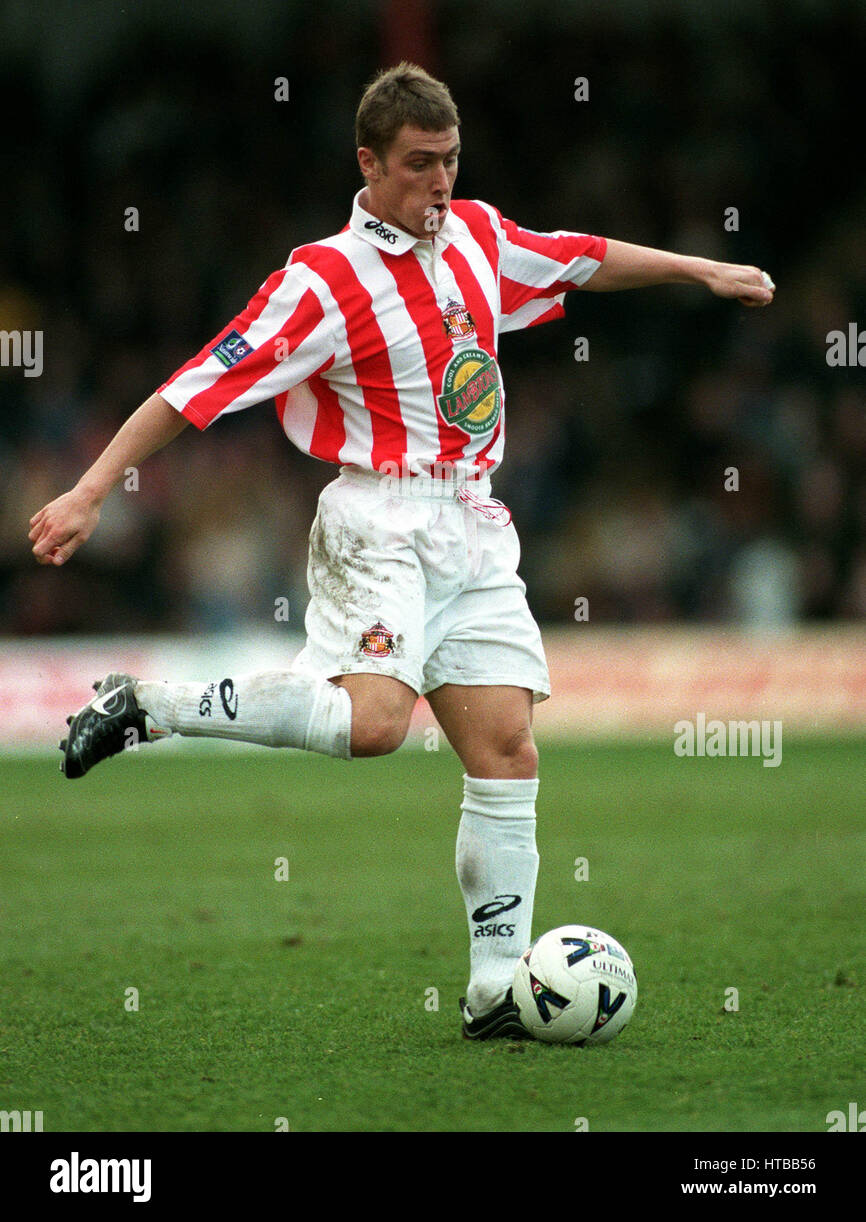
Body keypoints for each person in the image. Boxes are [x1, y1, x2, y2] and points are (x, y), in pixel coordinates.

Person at [29, 62, 774, 1040]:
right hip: (377, 520)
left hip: (473, 521)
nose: (438, 183)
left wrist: (700, 270)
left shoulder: (475, 236)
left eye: (449, 160)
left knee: (504, 747)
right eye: (419, 164)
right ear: (367, 163)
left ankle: (494, 989)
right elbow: (193, 385)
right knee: (375, 723)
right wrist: (91, 487)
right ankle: (150, 707)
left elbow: (579, 256)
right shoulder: (323, 279)